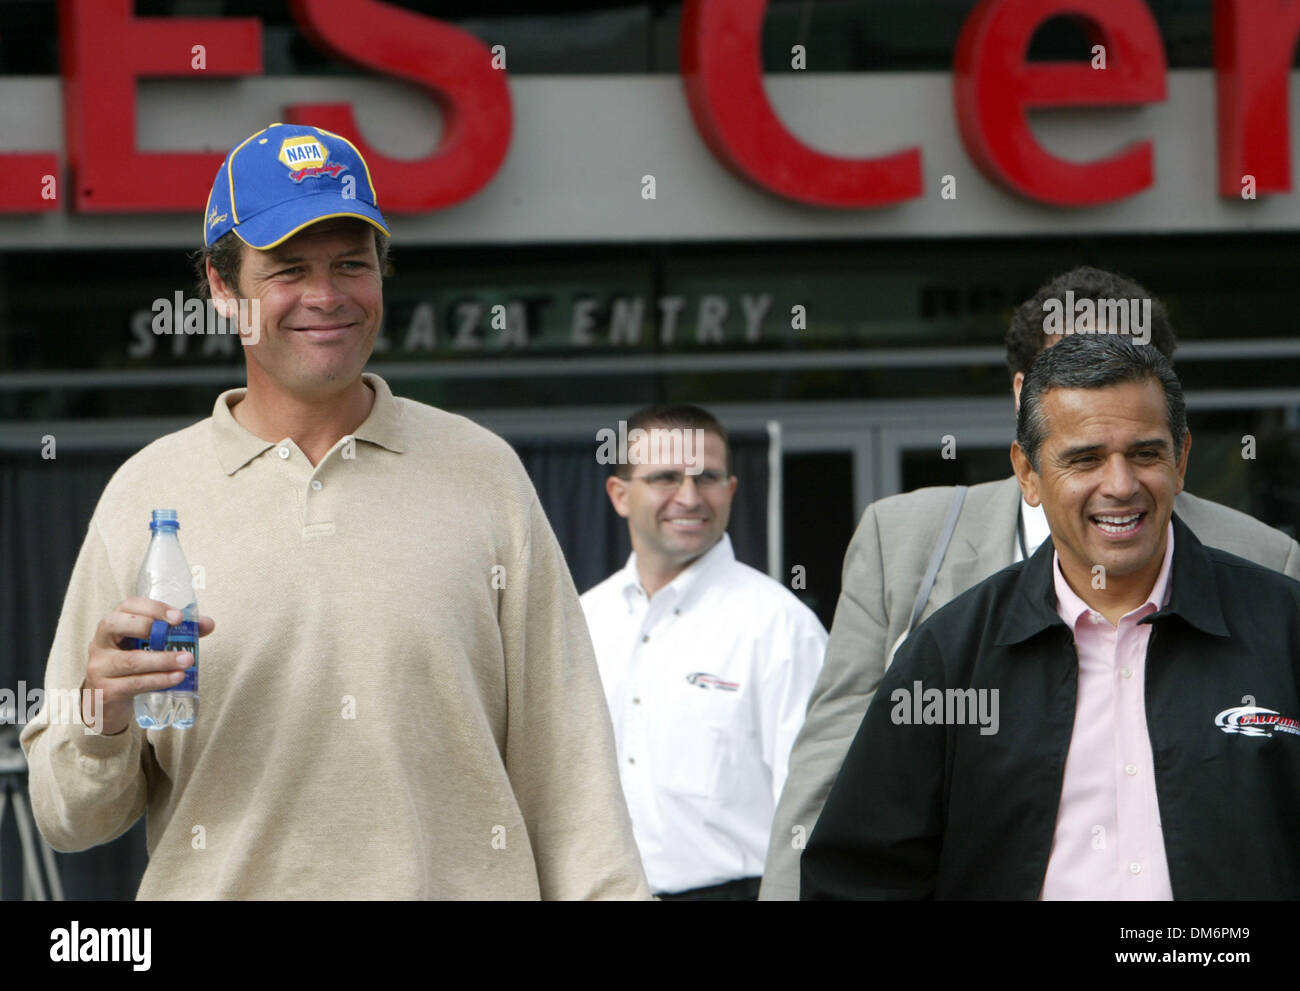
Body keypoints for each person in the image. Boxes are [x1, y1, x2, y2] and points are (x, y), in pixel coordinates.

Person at [20, 122, 650, 900]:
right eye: (288, 269)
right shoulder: (144, 497)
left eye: (352, 263)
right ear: (223, 290)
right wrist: (103, 713)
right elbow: (67, 816)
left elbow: (573, 778)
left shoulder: (483, 474)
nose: (326, 296)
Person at [762, 266, 1300, 899]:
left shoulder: (1276, 599)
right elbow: (853, 832)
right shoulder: (950, 639)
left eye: (1144, 452)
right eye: (1085, 457)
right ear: (1027, 460)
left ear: (1179, 453)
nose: (1120, 484)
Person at [580, 405, 826, 899]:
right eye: (666, 477)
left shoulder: (781, 627)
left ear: (730, 490)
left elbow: (816, 806)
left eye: (707, 477)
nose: (689, 497)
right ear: (620, 495)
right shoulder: (581, 620)